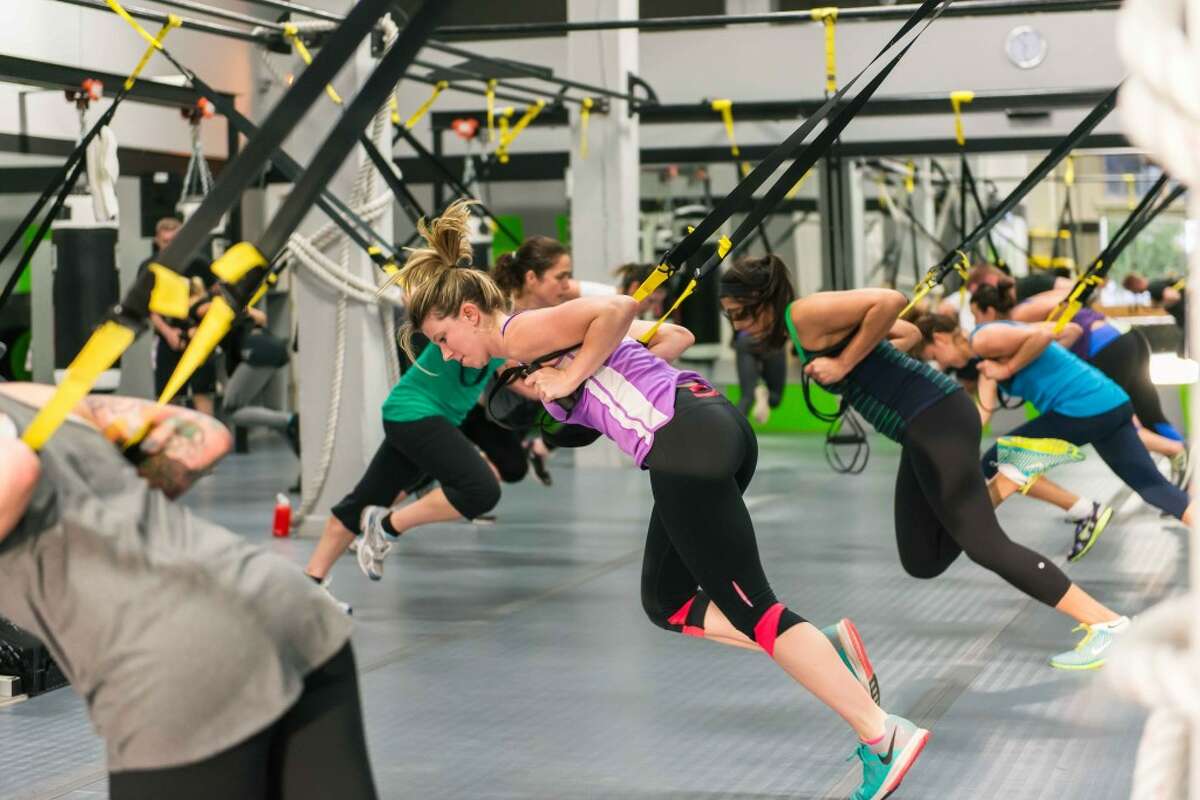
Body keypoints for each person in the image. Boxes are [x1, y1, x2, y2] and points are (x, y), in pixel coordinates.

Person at [393, 213, 930, 800]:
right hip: (706, 429)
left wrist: (573, 366)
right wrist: (579, 367)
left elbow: (617, 307)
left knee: (757, 610)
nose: (447, 355)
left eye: (444, 339)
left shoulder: (522, 332)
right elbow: (676, 339)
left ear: (470, 314)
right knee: (666, 600)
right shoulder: (532, 353)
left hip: (686, 443)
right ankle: (819, 649)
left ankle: (883, 735)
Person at [718, 256, 1133, 672]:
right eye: (729, 316)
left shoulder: (804, 313)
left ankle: (1106, 623)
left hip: (937, 417)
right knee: (922, 558)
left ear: (762, 299)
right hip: (922, 430)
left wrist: (844, 363)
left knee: (986, 546)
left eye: (739, 314)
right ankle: (1006, 481)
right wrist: (862, 358)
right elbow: (910, 333)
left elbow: (891, 301)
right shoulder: (803, 326)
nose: (737, 325)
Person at [0, 383, 373, 799]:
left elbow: (15, 470)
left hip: (176, 653)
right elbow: (203, 437)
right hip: (279, 598)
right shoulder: (32, 398)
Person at [304, 202, 507, 599]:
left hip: (418, 417)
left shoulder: (503, 332)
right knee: (482, 489)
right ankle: (385, 526)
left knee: (365, 497)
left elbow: (520, 378)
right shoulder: (472, 320)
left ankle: (309, 587)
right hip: (416, 414)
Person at [917, 312, 1196, 555]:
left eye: (932, 356)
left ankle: (1082, 511)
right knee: (1154, 489)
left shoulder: (983, 338)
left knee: (999, 458)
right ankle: (1085, 510)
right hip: (1110, 403)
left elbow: (1048, 333)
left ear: (940, 338)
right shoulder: (984, 365)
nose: (939, 365)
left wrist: (1010, 367)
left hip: (1084, 408)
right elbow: (982, 415)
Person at [1008, 282, 1187, 482]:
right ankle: (1186, 464)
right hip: (1126, 337)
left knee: (1116, 422)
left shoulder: (1018, 314)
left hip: (1106, 348)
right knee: (1148, 415)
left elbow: (1068, 326)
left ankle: (1173, 455)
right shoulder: (1047, 296)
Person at [137, 217, 220, 416]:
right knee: (168, 395)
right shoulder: (151, 267)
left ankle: (206, 441)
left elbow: (217, 295)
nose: (171, 246)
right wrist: (168, 333)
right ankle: (173, 442)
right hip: (168, 335)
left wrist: (205, 329)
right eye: (166, 242)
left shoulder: (199, 263)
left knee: (203, 392)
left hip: (200, 336)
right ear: (157, 241)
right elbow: (148, 307)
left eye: (175, 241)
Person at [728, 257, 788, 425]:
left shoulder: (736, 296)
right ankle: (764, 394)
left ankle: (735, 435)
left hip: (746, 341)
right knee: (775, 397)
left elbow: (735, 322)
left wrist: (735, 342)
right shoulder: (777, 295)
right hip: (772, 341)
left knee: (746, 396)